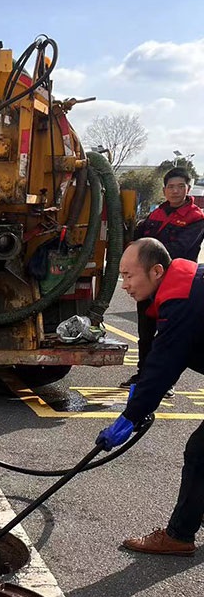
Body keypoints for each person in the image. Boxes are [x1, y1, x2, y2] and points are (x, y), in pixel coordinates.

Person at [97, 237, 204, 555]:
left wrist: (130, 417)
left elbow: (163, 368)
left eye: (129, 276)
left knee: (200, 451)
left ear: (156, 271)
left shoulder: (182, 301)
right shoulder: (186, 286)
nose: (125, 285)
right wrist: (141, 396)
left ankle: (179, 536)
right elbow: (161, 358)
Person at [120, 167, 204, 392]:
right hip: (149, 283)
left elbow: (179, 249)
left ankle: (166, 382)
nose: (175, 191)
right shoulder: (156, 215)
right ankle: (142, 375)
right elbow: (137, 241)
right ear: (164, 190)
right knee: (145, 334)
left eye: (180, 186)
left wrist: (144, 253)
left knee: (171, 336)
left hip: (178, 286)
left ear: (188, 189)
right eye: (170, 187)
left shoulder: (195, 218)